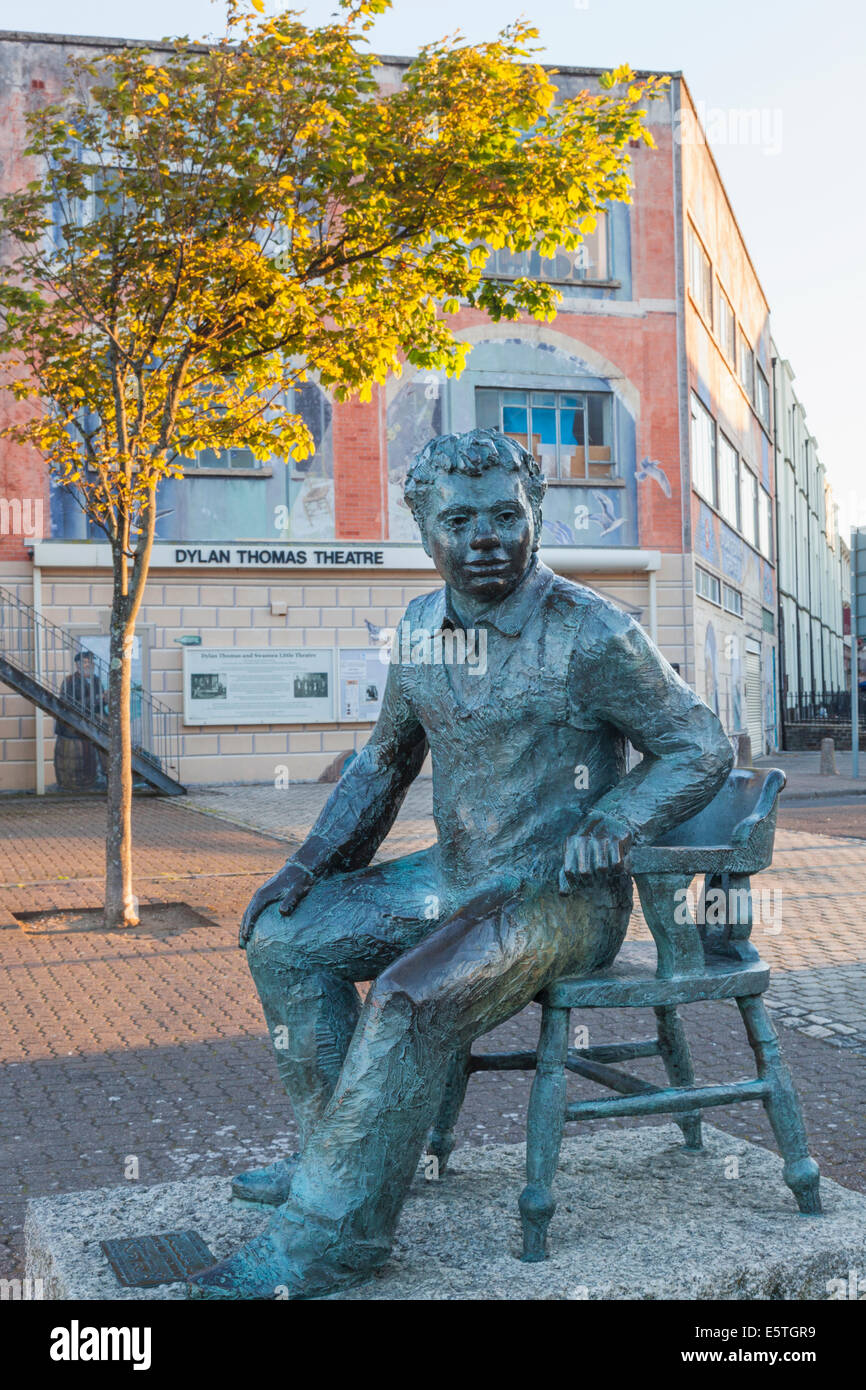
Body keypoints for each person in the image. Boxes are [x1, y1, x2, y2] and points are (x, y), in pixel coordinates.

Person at [189, 429, 734, 1299]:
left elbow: (700, 744)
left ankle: (332, 1241)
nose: (484, 537)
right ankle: (333, 1160)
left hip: (558, 899)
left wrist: (617, 817)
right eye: (459, 520)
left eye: (504, 516)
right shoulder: (415, 629)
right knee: (286, 938)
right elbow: (381, 764)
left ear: (536, 517)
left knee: (410, 997)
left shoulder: (595, 632)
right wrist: (308, 866)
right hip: (453, 874)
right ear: (424, 531)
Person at [54, 651, 108, 790]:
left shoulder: (96, 680)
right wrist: (96, 698)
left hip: (92, 721)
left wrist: (105, 700)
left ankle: (103, 774)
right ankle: (81, 782)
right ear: (78, 665)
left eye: (90, 662)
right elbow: (68, 704)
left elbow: (99, 705)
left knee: (105, 737)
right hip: (73, 724)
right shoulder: (69, 681)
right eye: (85, 662)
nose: (88, 665)